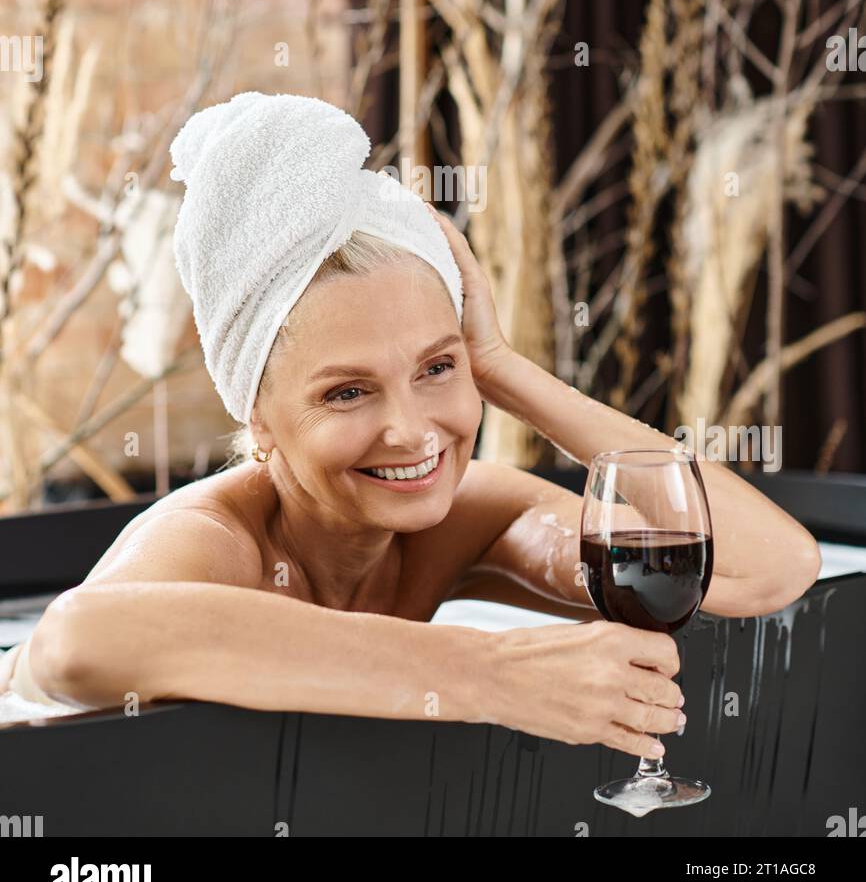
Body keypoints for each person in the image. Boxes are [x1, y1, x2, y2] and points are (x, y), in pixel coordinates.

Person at [0, 94, 821, 758]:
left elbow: (769, 570)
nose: (413, 433)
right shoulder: (217, 539)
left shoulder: (464, 517)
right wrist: (493, 674)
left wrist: (503, 367)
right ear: (260, 419)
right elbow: (72, 640)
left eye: (437, 368)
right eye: (347, 393)